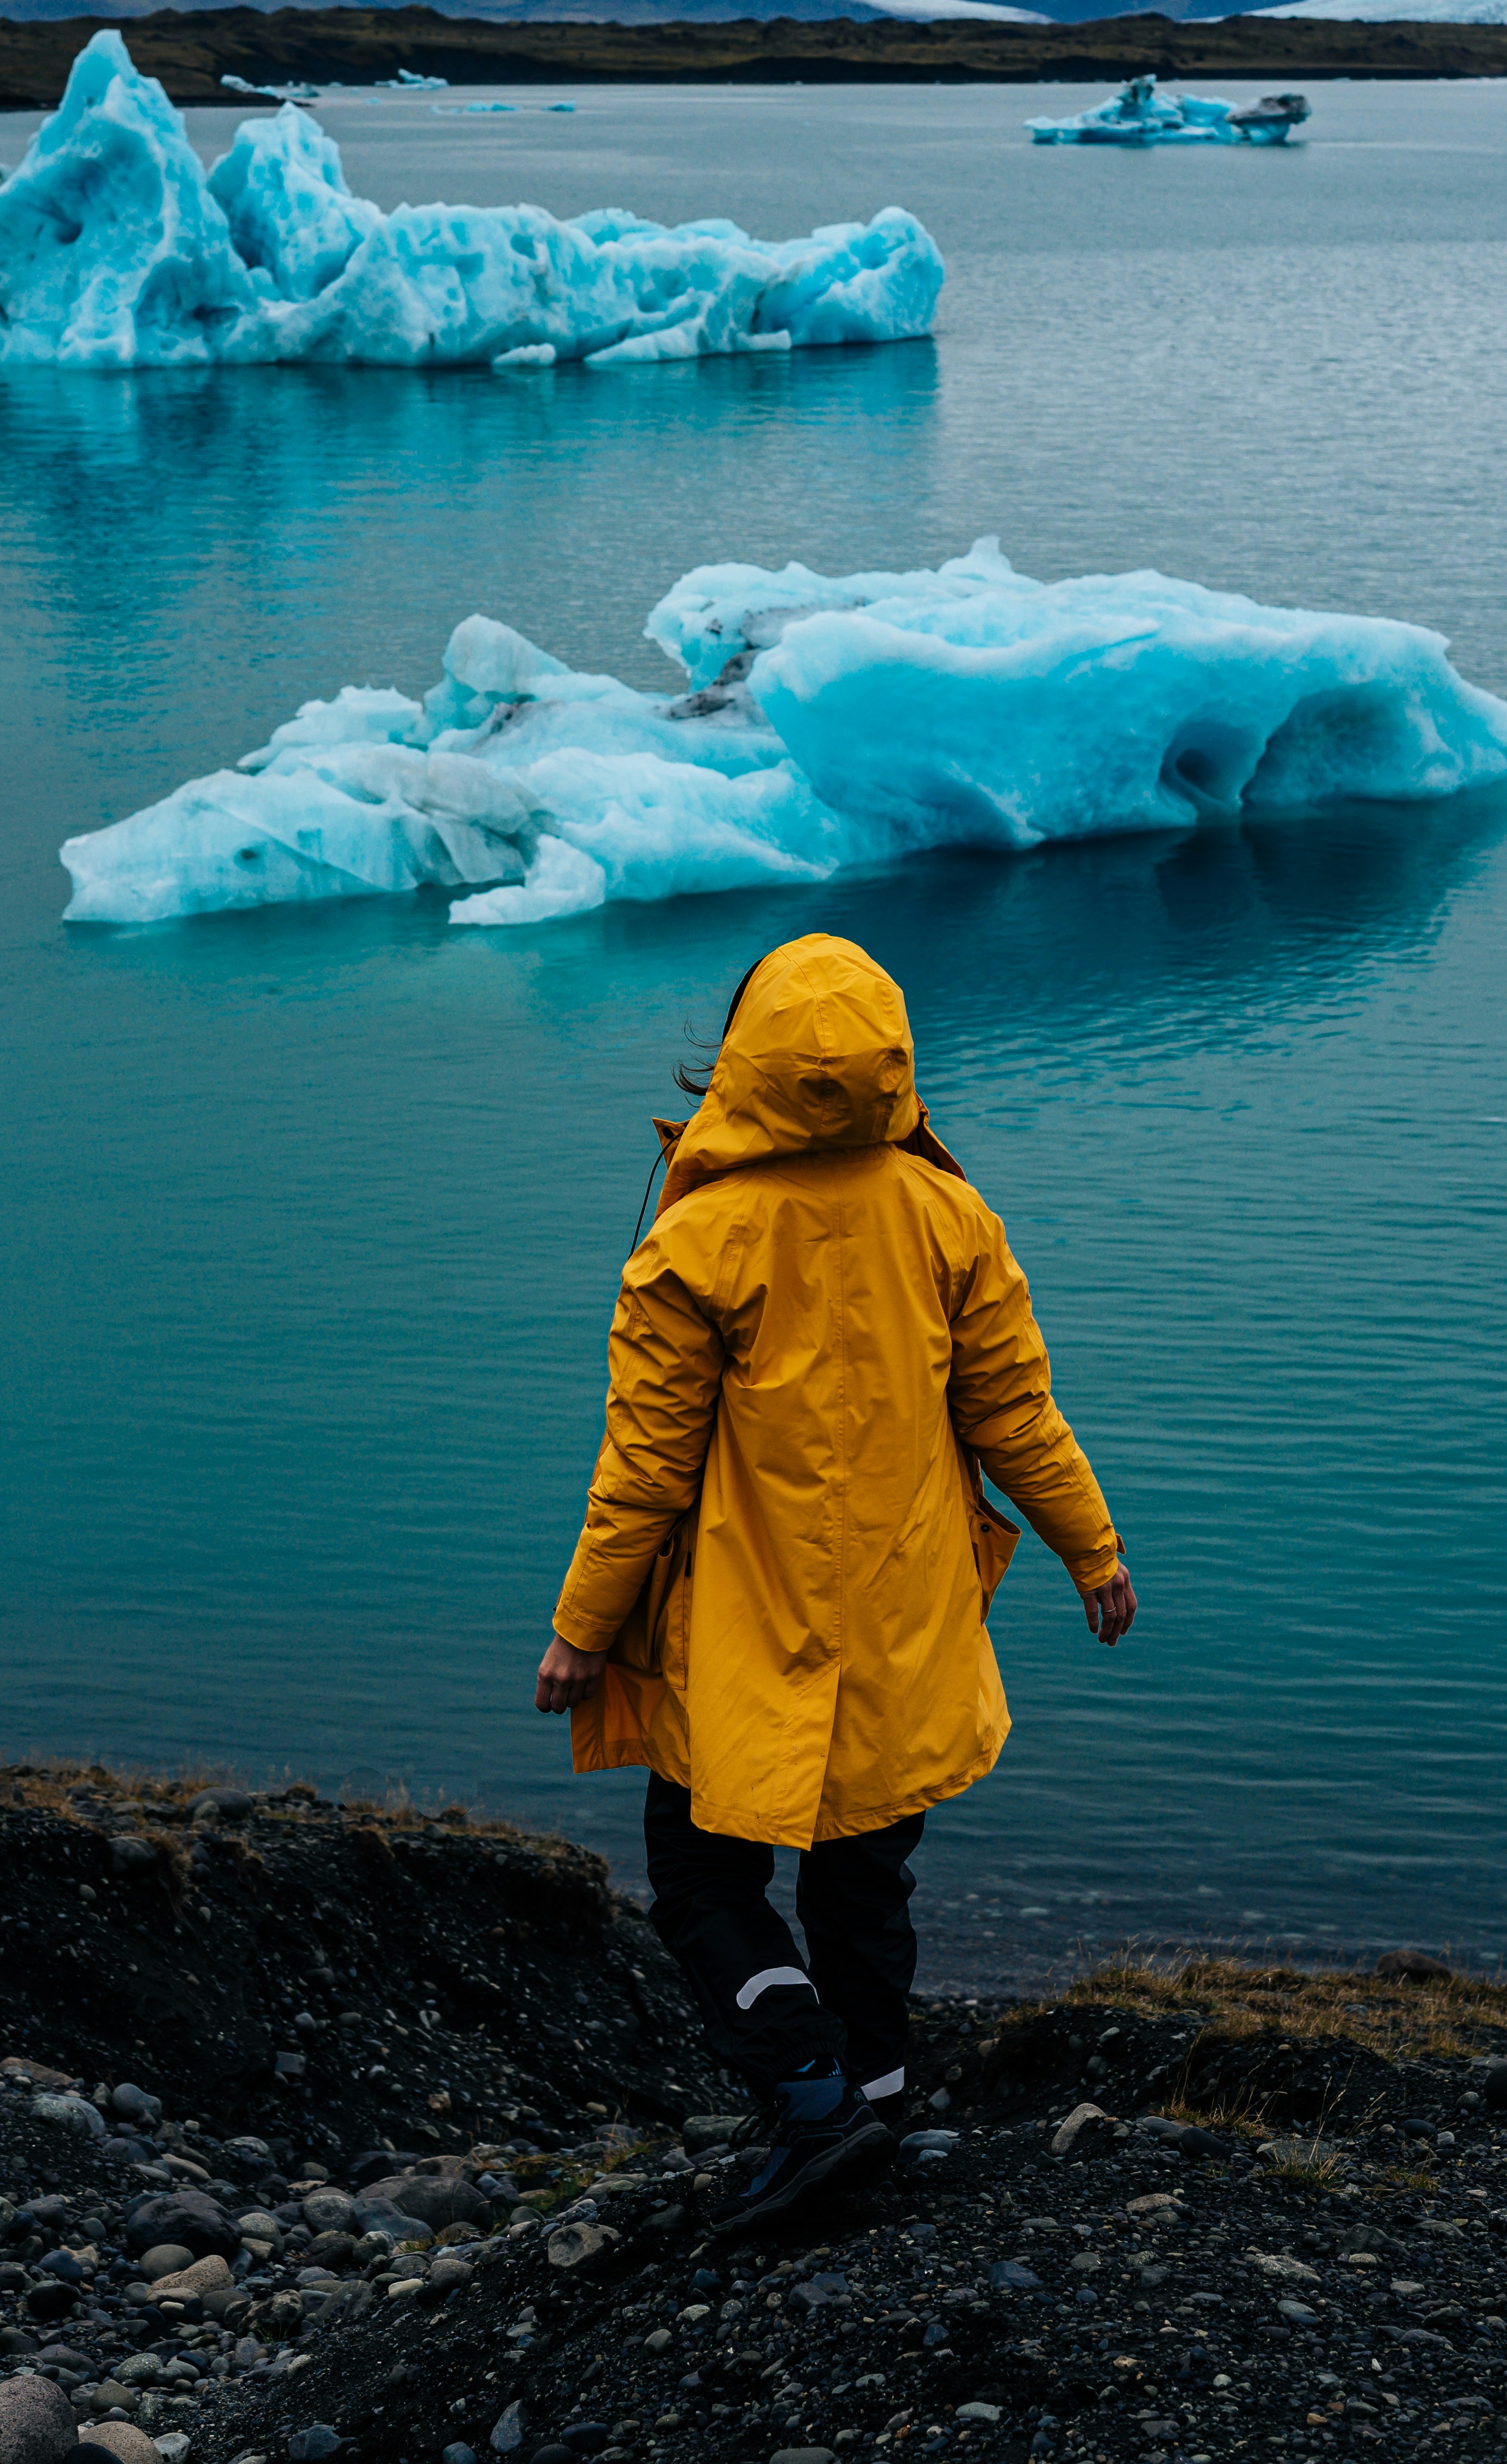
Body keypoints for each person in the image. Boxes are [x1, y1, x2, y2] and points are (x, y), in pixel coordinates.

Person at [535, 931, 1134, 2232]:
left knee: (700, 1877)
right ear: (890, 1058)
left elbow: (644, 1466)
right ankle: (882, 2095)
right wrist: (1093, 1547)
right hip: (904, 1624)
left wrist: (582, 1630)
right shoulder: (948, 1214)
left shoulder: (701, 1239)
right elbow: (1016, 1415)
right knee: (866, 1877)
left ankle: (811, 2099)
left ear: (742, 1058)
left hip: (752, 1629)